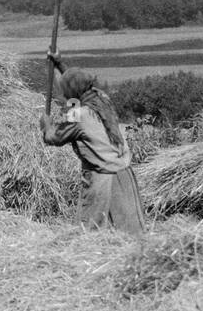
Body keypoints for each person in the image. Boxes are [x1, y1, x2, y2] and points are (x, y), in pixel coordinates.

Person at [39, 52, 145, 235]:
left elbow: (53, 138)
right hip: (124, 174)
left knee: (92, 234)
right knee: (129, 233)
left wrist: (46, 126)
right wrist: (60, 64)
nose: (64, 94)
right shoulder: (102, 99)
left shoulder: (78, 115)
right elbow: (79, 90)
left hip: (102, 180)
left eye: (65, 90)